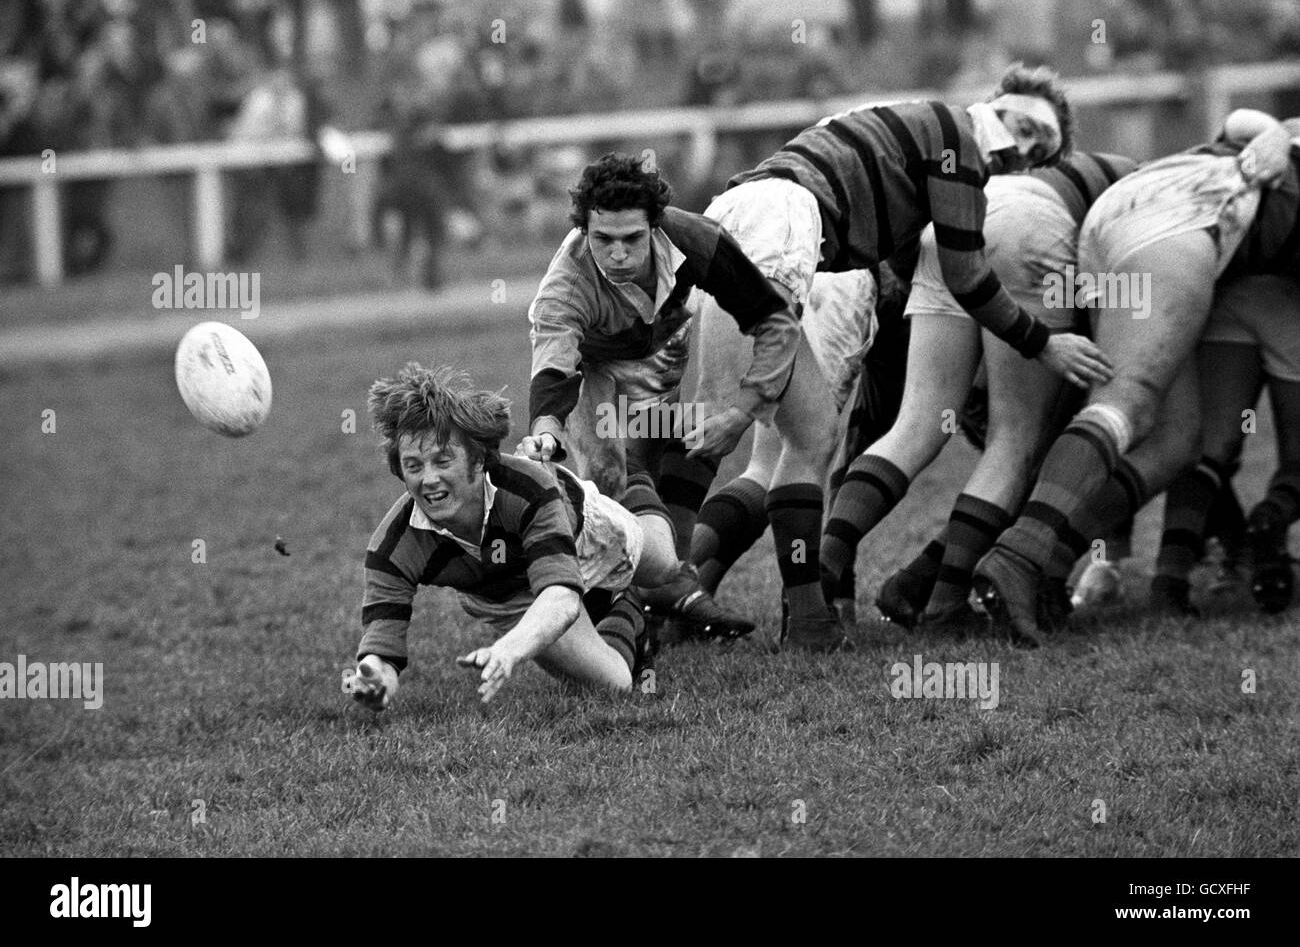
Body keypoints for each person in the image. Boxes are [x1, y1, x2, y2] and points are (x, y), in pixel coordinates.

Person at [688, 63, 1107, 650]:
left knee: (784, 443)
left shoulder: (920, 135)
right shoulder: (958, 140)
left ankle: (703, 601)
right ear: (999, 104)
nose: (1026, 146)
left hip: (748, 220)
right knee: (794, 445)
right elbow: (962, 275)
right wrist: (1042, 342)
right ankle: (788, 603)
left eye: (1042, 148)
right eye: (1027, 125)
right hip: (809, 254)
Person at [973, 110, 1299, 645]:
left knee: (1176, 439)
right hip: (1181, 222)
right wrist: (1280, 134)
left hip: (1124, 210)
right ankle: (1020, 554)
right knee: (1130, 400)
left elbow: (1239, 118)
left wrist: (1277, 133)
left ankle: (1049, 563)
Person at [819, 152, 1136, 636]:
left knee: (915, 427)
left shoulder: (1004, 172)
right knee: (1017, 442)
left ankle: (822, 575)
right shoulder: (1135, 184)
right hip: (1025, 231)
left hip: (950, 230)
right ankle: (945, 605)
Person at [521, 152, 803, 641]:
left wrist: (743, 412)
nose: (617, 255)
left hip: (660, 342)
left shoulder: (696, 240)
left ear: (656, 227)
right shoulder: (564, 288)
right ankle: (648, 605)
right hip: (591, 366)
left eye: (632, 239)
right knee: (611, 475)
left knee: (677, 442)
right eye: (602, 240)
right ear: (585, 231)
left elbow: (774, 320)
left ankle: (663, 591)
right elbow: (554, 369)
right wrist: (546, 431)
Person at [349, 364, 692, 710]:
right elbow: (382, 644)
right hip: (508, 594)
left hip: (582, 533)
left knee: (665, 567)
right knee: (616, 684)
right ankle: (627, 607)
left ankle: (629, 475)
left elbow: (560, 595)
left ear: (479, 459)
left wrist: (509, 649)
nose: (429, 479)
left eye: (442, 461)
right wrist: (377, 675)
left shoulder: (526, 491)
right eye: (414, 466)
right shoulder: (394, 546)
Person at [1151, 272, 1300, 615]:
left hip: (1227, 297)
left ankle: (1169, 582)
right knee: (1297, 460)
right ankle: (1271, 516)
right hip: (1289, 301)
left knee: (1210, 451)